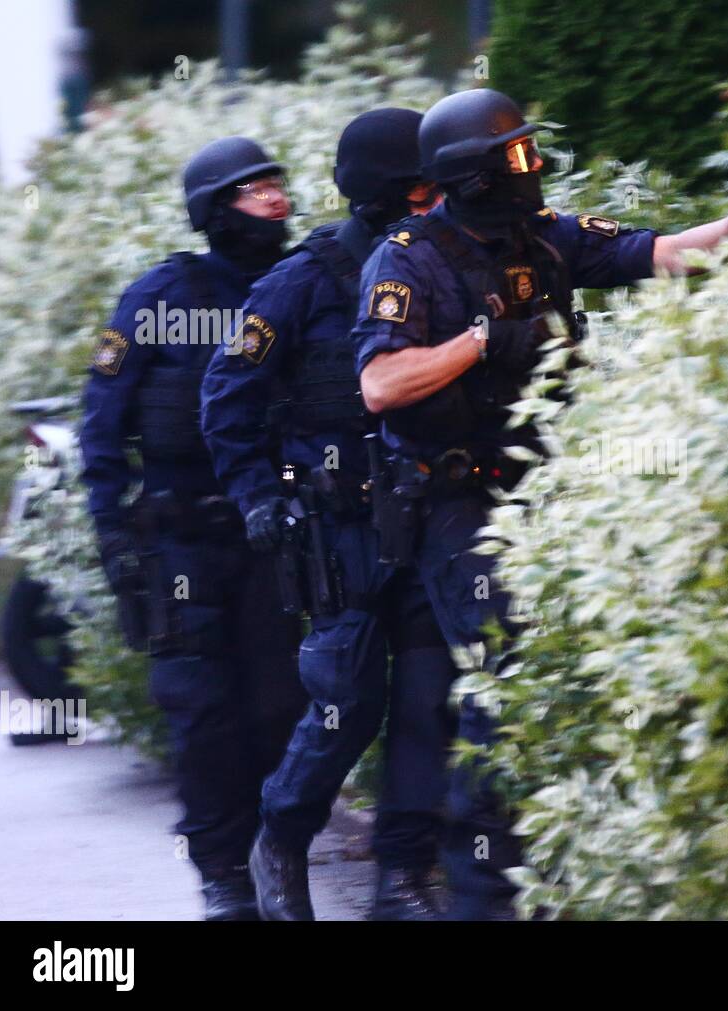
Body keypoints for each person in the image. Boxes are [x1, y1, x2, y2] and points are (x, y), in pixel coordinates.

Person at [351, 88, 728, 919]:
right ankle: (484, 897)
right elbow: (380, 384)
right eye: (517, 156)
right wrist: (483, 341)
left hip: (546, 487)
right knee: (506, 686)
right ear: (473, 175)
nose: (533, 166)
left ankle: (563, 874)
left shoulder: (541, 235)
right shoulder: (407, 259)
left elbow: (664, 252)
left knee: (574, 671)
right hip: (454, 501)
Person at [200, 109, 456, 922]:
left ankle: (403, 879)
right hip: (336, 529)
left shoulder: (442, 262)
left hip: (426, 515)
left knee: (426, 697)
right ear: (384, 191)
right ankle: (280, 836)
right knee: (346, 701)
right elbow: (224, 395)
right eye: (418, 185)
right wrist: (258, 498)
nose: (432, 199)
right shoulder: (304, 278)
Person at [80, 137, 306, 920]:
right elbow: (101, 423)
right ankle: (223, 879)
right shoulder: (157, 297)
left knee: (282, 707)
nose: (274, 199)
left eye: (277, 184)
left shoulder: (296, 288)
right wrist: (112, 535)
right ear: (216, 208)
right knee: (204, 715)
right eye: (254, 190)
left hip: (270, 538)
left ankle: (276, 855)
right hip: (179, 545)